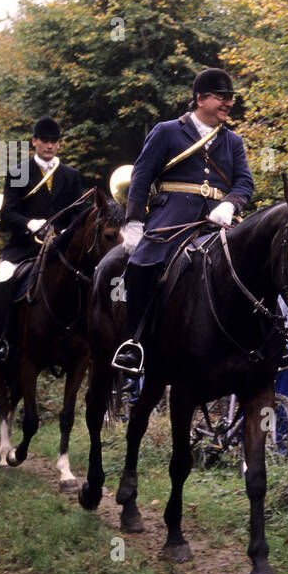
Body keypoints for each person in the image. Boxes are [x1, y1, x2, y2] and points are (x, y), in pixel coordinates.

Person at [113, 68, 254, 375]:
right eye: (221, 97)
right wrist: (134, 222)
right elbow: (142, 176)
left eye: (230, 98)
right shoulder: (166, 131)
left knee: (257, 263)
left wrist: (229, 204)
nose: (229, 103)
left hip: (218, 219)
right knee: (142, 265)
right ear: (200, 99)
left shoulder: (233, 141)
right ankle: (133, 343)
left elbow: (245, 182)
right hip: (172, 218)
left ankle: (267, 343)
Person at [0, 117, 87, 361]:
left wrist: (67, 232)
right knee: (2, 276)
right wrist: (30, 224)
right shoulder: (18, 172)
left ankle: (86, 338)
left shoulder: (71, 174)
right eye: (45, 140)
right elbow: (7, 213)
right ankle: (3, 338)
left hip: (60, 247)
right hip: (24, 247)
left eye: (54, 141)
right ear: (34, 141)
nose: (50, 145)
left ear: (59, 144)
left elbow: (79, 212)